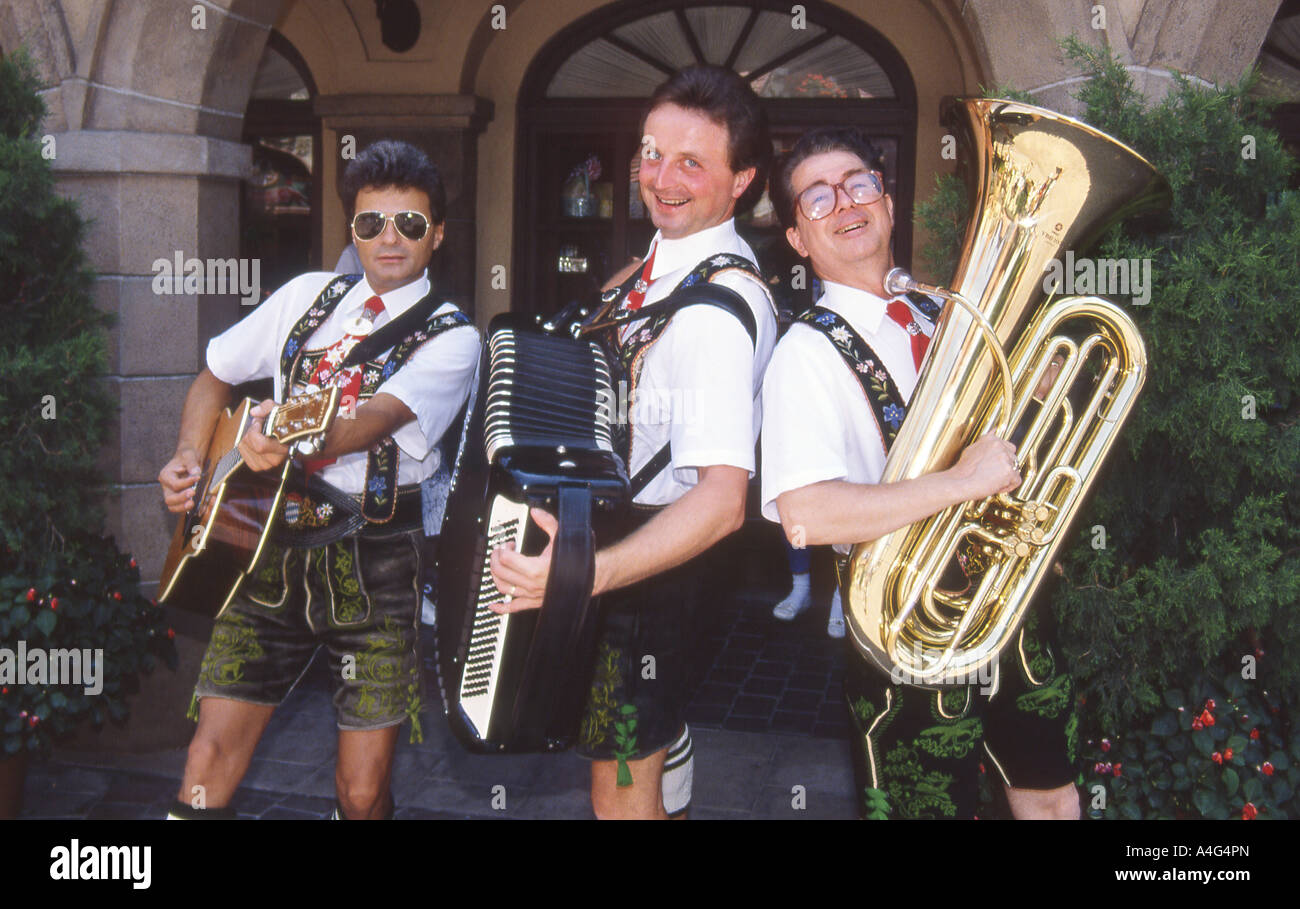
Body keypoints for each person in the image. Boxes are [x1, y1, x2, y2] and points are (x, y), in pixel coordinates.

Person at [760, 126, 1080, 820]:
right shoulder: (803, 355)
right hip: (904, 623)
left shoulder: (950, 314)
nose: (845, 203)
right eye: (817, 198)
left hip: (1009, 601)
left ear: (889, 203)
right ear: (797, 239)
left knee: (1050, 794)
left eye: (859, 184)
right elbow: (806, 514)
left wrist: (1037, 390)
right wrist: (961, 483)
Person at [157, 140, 480, 820]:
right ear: (351, 231)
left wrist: (282, 433)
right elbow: (216, 374)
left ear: (438, 233)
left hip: (377, 560)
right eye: (371, 224)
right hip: (266, 547)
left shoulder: (454, 339)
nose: (389, 239)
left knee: (360, 793)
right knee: (203, 763)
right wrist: (191, 454)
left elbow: (368, 423)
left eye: (410, 224)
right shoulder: (306, 296)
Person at [488, 65, 778, 820]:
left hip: (651, 567)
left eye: (693, 162)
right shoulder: (658, 265)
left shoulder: (716, 313)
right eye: (652, 153)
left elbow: (721, 503)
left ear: (741, 178)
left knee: (618, 787)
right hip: (636, 554)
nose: (662, 177)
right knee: (641, 755)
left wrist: (587, 575)